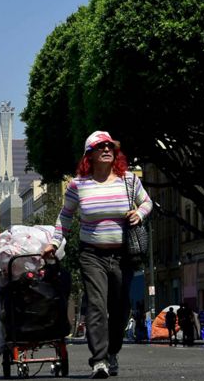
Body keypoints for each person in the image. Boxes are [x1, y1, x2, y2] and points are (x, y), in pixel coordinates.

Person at [42, 131, 152, 379]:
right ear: (89, 155)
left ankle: (112, 351)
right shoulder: (77, 185)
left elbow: (147, 202)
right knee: (97, 306)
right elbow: (65, 217)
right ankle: (99, 360)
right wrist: (55, 242)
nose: (106, 149)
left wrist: (139, 214)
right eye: (100, 146)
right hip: (91, 254)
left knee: (121, 308)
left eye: (110, 146)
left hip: (123, 254)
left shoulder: (128, 181)